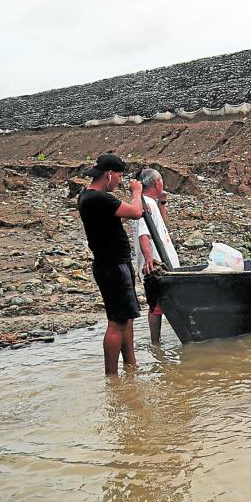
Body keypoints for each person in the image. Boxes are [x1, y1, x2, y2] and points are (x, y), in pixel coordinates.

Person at [77, 153, 145, 375]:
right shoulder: (100, 198)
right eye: (119, 176)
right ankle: (112, 377)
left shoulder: (86, 196)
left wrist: (136, 209)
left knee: (125, 318)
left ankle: (130, 367)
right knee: (116, 322)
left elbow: (117, 217)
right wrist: (137, 193)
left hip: (110, 264)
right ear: (109, 174)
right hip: (114, 266)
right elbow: (134, 212)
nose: (120, 181)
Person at [133, 168, 180, 345]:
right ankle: (155, 344)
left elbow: (163, 224)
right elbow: (143, 235)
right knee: (157, 306)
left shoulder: (150, 202)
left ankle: (157, 343)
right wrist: (149, 259)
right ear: (156, 183)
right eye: (161, 180)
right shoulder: (145, 203)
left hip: (161, 263)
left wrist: (162, 203)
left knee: (159, 305)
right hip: (157, 265)